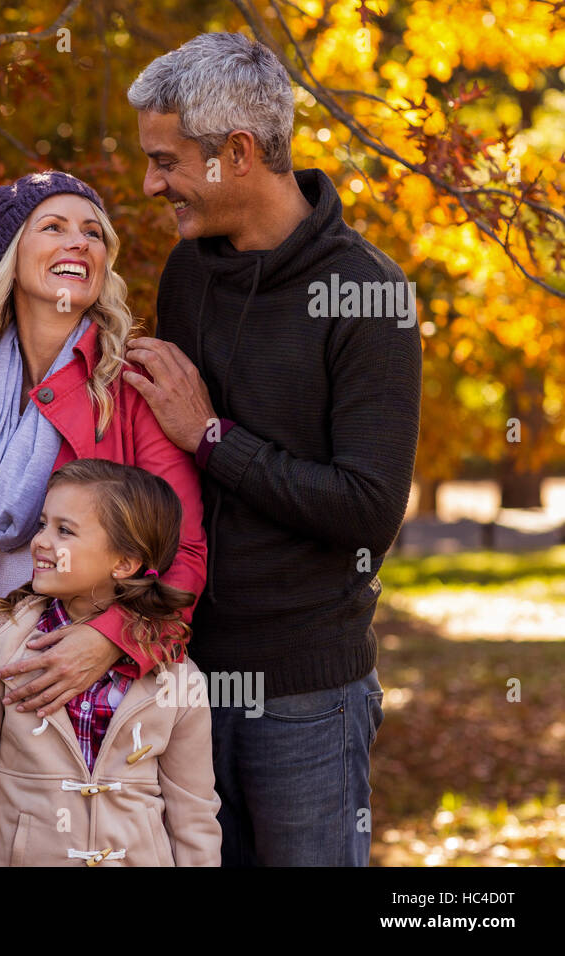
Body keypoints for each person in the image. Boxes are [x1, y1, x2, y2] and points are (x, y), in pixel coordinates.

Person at [124, 32, 421, 866]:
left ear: (238, 153)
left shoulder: (369, 292)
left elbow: (367, 509)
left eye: (166, 160)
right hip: (180, 677)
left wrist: (212, 436)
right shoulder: (186, 275)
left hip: (306, 693)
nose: (152, 185)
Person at [0, 170, 207, 768]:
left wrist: (110, 640)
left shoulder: (132, 389)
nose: (79, 242)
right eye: (54, 227)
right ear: (11, 258)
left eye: (93, 233)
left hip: (96, 689)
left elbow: (185, 556)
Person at [0, 460, 220, 866]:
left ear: (123, 563)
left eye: (64, 530)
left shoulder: (176, 676)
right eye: (42, 524)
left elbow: (194, 811)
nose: (40, 541)